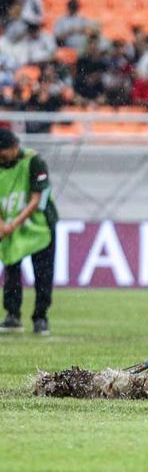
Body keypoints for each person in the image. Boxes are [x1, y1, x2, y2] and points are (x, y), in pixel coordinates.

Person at [0, 129, 56, 336]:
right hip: (9, 223)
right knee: (11, 269)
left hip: (39, 225)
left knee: (43, 273)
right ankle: (12, 316)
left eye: (3, 152)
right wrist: (1, 224)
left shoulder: (34, 162)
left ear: (15, 147)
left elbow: (36, 199)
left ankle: (41, 318)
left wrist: (13, 224)